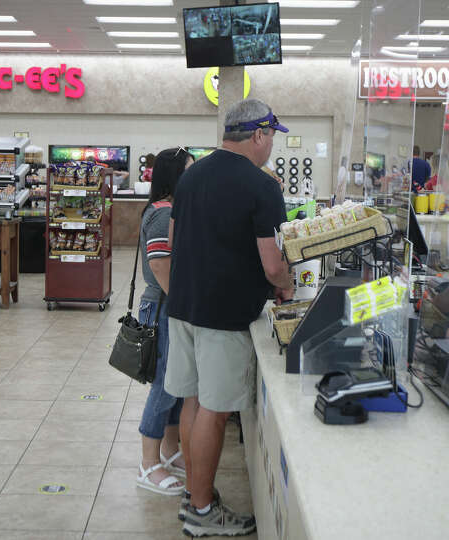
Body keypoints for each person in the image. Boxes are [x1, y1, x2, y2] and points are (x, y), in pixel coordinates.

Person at [166, 98, 293, 538]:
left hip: (182, 306)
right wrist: (288, 287)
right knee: (215, 411)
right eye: (272, 137)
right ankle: (201, 512)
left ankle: (193, 494)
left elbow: (173, 238)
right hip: (224, 314)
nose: (271, 146)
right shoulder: (263, 187)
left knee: (192, 401)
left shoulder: (191, 175)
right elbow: (274, 265)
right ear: (259, 134)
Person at [135, 147, 194, 497]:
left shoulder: (172, 209)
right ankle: (147, 462)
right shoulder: (162, 213)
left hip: (168, 306)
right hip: (163, 306)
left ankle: (170, 451)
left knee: (175, 381)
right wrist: (183, 303)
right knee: (164, 384)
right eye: (188, 170)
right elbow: (159, 265)